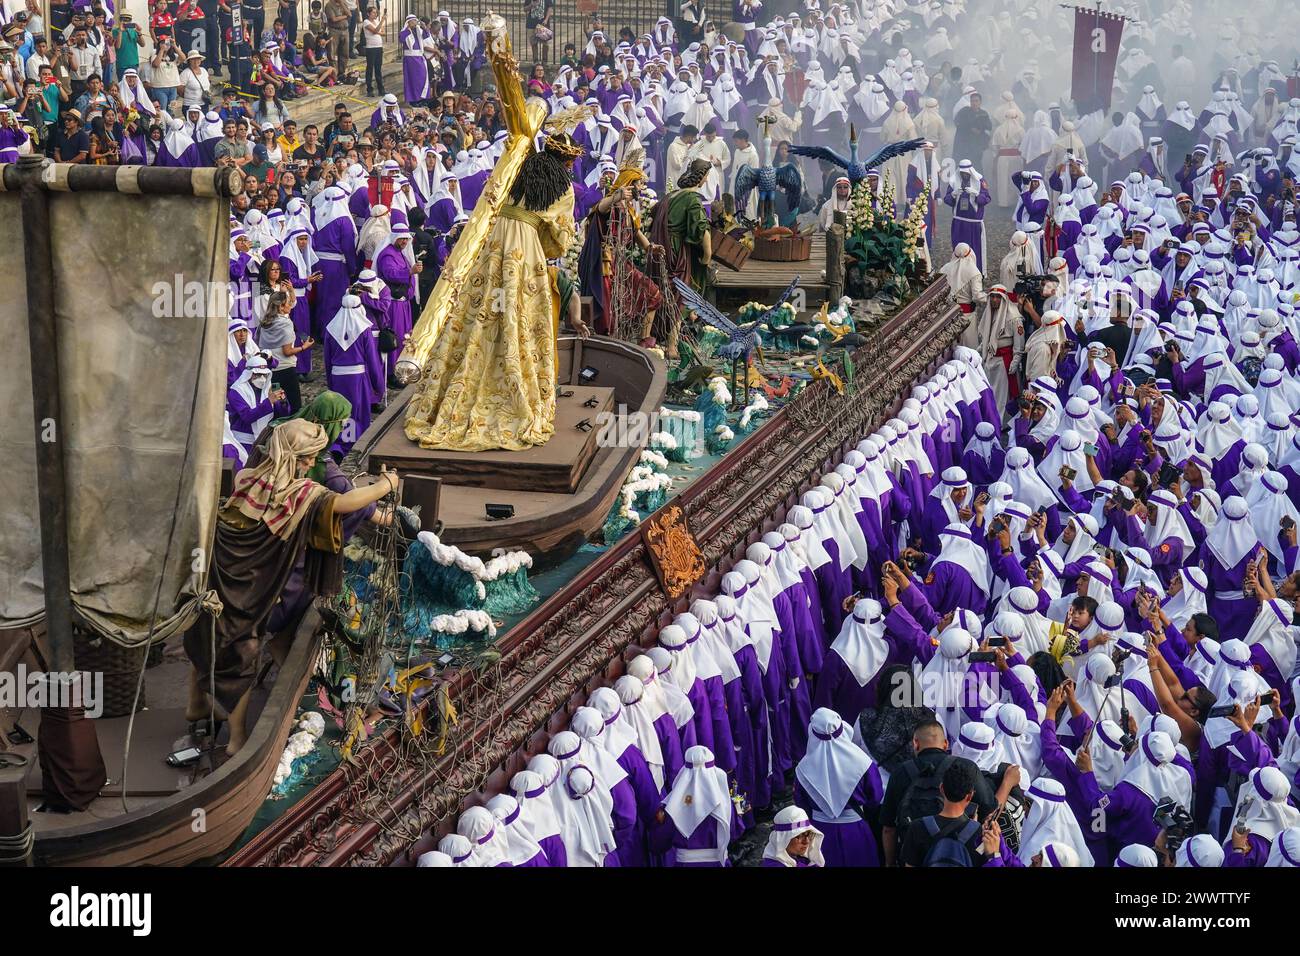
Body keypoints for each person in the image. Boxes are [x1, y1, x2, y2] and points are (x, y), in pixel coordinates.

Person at [183, 419, 398, 754]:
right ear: (291, 456)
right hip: (254, 595)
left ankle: (196, 705)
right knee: (245, 651)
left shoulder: (245, 478)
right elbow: (345, 503)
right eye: (305, 458)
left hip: (220, 583)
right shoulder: (302, 494)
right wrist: (386, 484)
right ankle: (236, 741)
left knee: (207, 638)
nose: (310, 465)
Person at [403, 131, 578, 452]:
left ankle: (456, 386)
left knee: (478, 311)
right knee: (519, 317)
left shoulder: (515, 170)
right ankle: (516, 390)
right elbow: (558, 240)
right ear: (568, 160)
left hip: (491, 246)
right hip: (524, 254)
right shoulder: (563, 187)